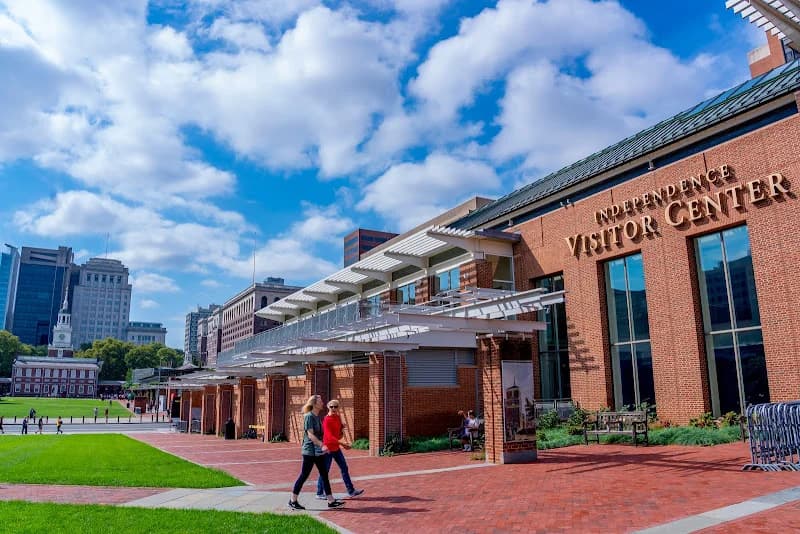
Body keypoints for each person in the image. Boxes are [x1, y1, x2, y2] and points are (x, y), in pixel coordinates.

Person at [288, 395, 345, 511]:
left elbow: (321, 434)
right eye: (320, 401)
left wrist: (329, 442)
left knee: (324, 475)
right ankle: (292, 500)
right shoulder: (309, 416)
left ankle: (331, 501)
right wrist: (322, 445)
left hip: (318, 452)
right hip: (309, 451)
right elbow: (310, 435)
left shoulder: (317, 417)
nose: (323, 403)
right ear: (314, 404)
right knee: (304, 475)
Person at [316, 400, 364, 499]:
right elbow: (329, 437)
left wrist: (342, 428)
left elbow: (338, 435)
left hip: (336, 448)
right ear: (328, 407)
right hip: (328, 449)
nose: (334, 408)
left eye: (336, 406)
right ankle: (319, 493)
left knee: (344, 468)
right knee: (325, 471)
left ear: (338, 408)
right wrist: (343, 444)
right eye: (332, 406)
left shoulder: (337, 418)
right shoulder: (326, 420)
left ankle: (351, 491)